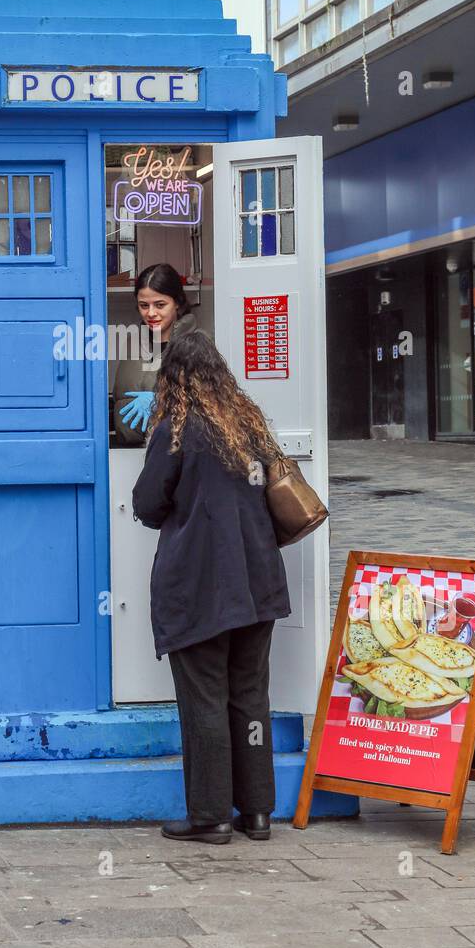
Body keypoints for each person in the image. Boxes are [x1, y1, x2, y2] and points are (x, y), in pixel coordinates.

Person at [132, 330, 291, 846]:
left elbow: (148, 504)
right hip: (257, 582)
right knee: (249, 698)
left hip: (201, 587)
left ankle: (210, 816)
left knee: (204, 700)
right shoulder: (247, 424)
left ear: (171, 377)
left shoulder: (176, 430)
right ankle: (258, 812)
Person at [112, 262, 197, 447]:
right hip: (130, 452)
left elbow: (211, 405)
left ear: (177, 303)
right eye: (144, 305)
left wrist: (160, 400)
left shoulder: (196, 345)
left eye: (160, 305)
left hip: (176, 455)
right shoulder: (135, 342)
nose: (151, 313)